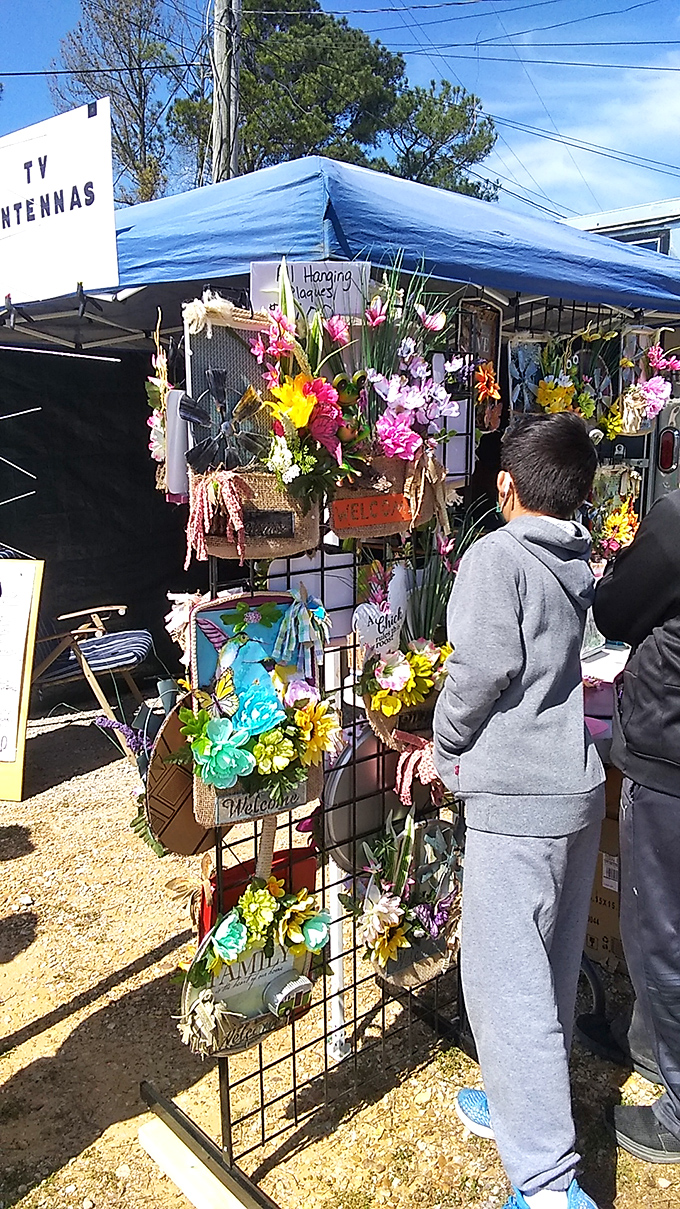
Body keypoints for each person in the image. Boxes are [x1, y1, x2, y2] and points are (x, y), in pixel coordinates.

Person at [433, 412, 604, 1209]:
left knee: (508, 988)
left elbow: (479, 671)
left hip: (518, 799)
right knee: (550, 971)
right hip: (575, 785)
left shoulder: (495, 555)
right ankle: (516, 1109)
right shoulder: (577, 555)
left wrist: (440, 741)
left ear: (506, 485)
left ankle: (545, 1182)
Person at [591, 488, 680, 1164]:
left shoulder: (677, 519)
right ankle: (652, 1045)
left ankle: (677, 1106)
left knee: (659, 931)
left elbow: (615, 607)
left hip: (669, 756)